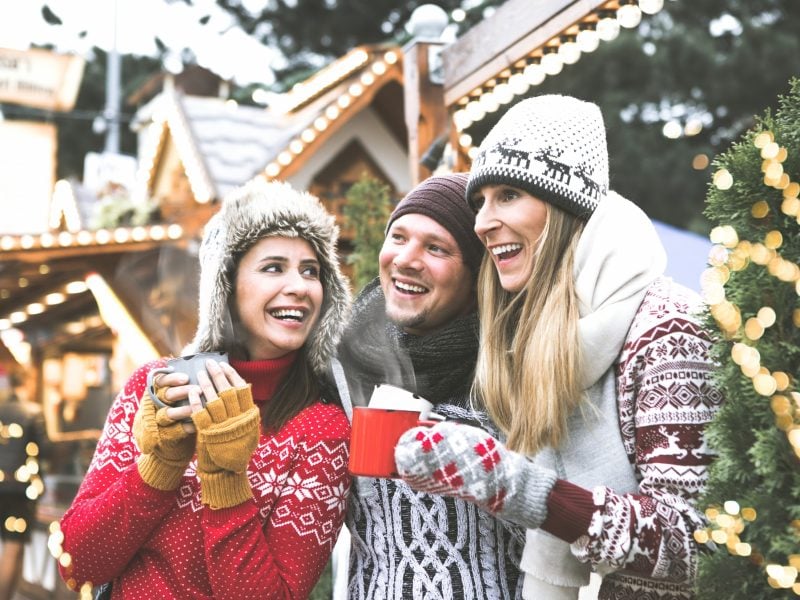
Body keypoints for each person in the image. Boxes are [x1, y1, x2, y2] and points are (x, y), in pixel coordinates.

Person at [394, 95, 724, 599]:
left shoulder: (668, 328)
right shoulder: (536, 339)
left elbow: (697, 542)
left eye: (507, 195)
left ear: (566, 205)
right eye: (480, 201)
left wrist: (522, 489)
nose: (482, 221)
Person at [57, 179, 353, 599]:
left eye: (311, 271)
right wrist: (157, 469)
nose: (301, 286)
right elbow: (78, 562)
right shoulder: (158, 388)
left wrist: (227, 481)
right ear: (225, 288)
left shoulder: (322, 430)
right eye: (274, 267)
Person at [328, 173, 526, 599]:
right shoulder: (343, 365)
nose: (406, 259)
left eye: (435, 248)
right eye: (398, 237)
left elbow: (560, 534)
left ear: (476, 278)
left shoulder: (517, 374)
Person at [0, 369, 46, 600]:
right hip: (20, 489)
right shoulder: (33, 412)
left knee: (9, 547)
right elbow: (45, 449)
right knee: (14, 546)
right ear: (28, 383)